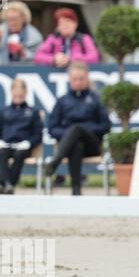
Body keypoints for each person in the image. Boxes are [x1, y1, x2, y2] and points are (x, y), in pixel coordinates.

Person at [43, 61, 110, 194]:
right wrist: (69, 135)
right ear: (70, 80)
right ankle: (76, 189)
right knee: (76, 144)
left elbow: (106, 125)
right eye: (75, 79)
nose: (78, 82)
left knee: (77, 129)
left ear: (87, 78)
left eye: (81, 79)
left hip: (92, 145)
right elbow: (52, 128)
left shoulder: (96, 99)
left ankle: (55, 162)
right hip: (70, 146)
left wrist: (85, 129)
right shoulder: (62, 101)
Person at [0, 78, 43, 194]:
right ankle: (7, 183)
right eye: (16, 95)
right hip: (7, 144)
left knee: (19, 155)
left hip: (23, 146)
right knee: (2, 153)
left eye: (21, 95)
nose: (18, 98)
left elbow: (38, 134)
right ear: (11, 93)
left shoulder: (33, 112)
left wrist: (29, 143)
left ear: (25, 93)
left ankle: (4, 183)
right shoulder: (4, 111)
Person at [35, 7, 100, 68]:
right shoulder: (52, 38)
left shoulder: (84, 38)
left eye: (68, 21)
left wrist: (72, 60)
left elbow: (94, 57)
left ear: (75, 24)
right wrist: (54, 59)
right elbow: (38, 57)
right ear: (58, 27)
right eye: (61, 23)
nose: (65, 25)